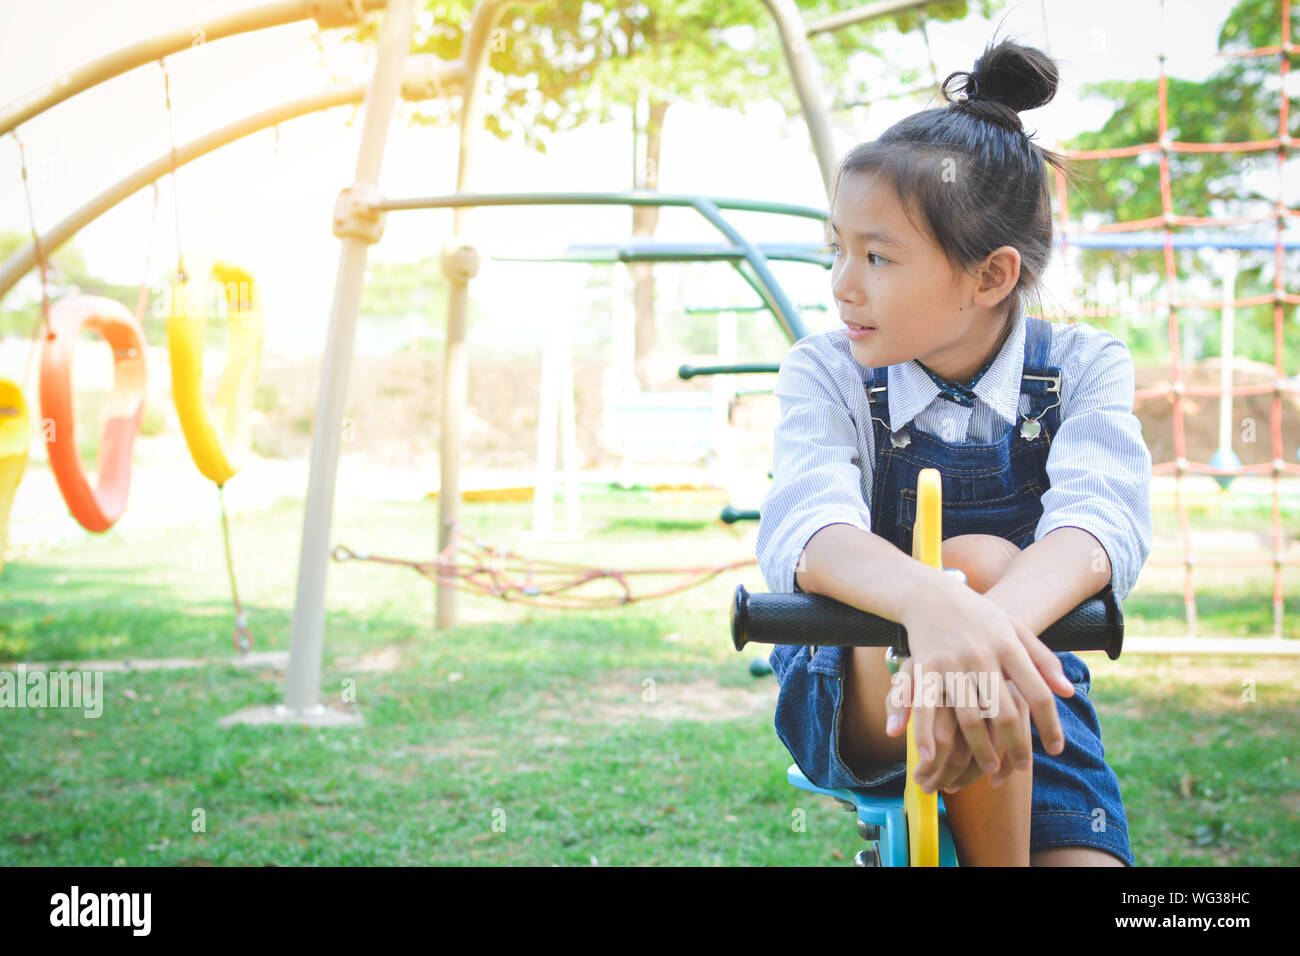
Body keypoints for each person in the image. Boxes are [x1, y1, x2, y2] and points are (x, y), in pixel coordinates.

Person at [754, 32, 1153, 866]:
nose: (842, 284)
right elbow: (806, 523)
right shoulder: (826, 372)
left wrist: (978, 628)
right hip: (860, 682)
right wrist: (935, 604)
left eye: (876, 257)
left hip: (1032, 697)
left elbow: (1100, 523)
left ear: (989, 278)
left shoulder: (1081, 367)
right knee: (967, 558)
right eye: (839, 249)